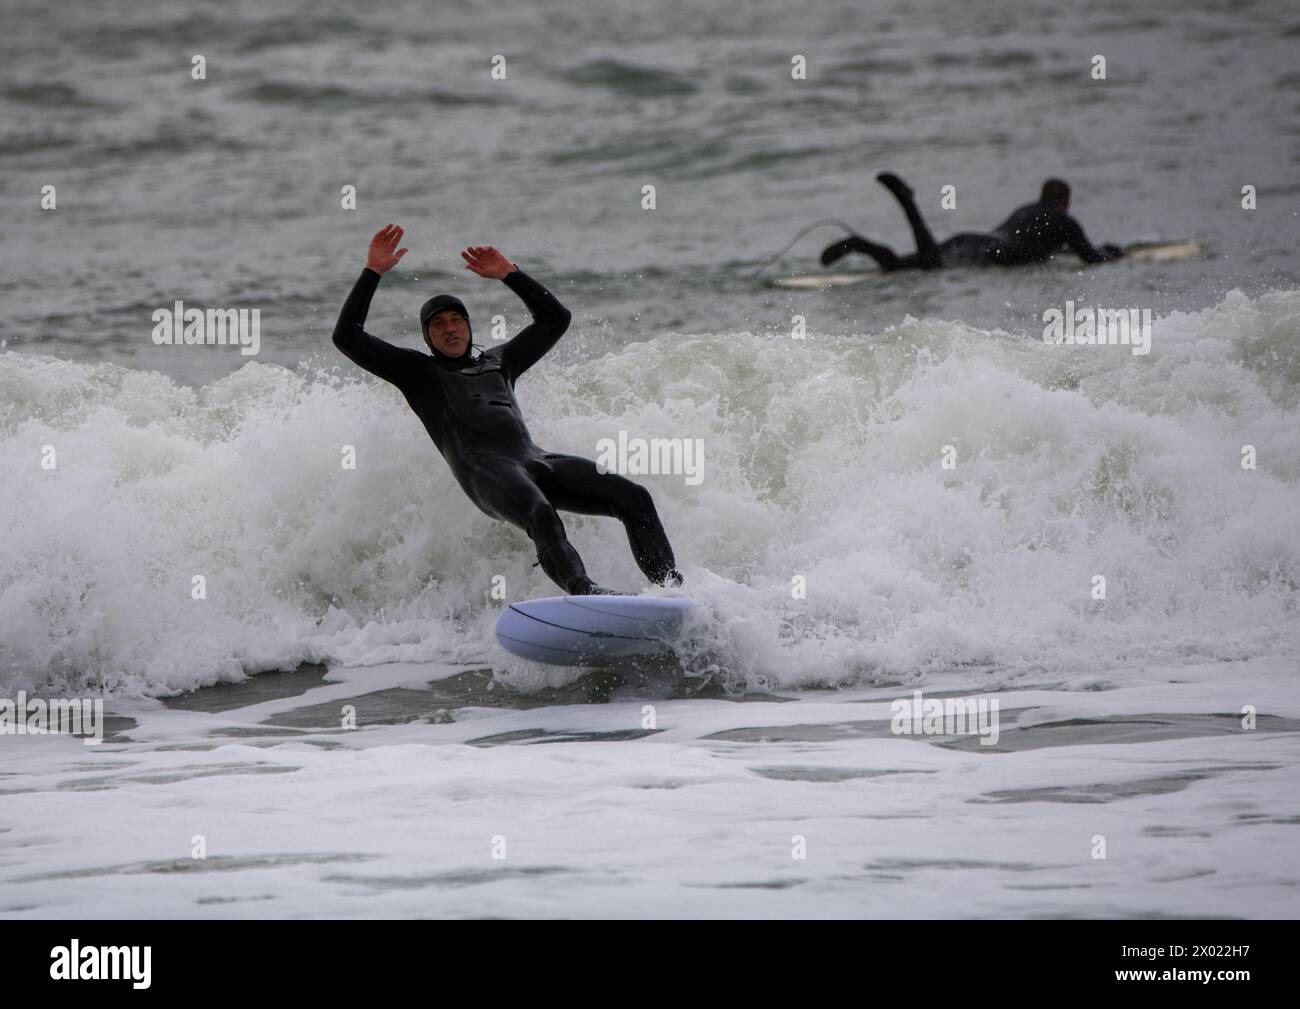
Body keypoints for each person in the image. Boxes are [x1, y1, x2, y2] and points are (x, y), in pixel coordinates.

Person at [333, 224, 683, 596]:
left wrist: (509, 274)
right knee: (541, 514)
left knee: (634, 497)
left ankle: (672, 593)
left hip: (535, 459)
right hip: (484, 472)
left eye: (456, 320)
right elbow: (347, 337)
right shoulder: (419, 373)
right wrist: (373, 272)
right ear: (426, 336)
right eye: (437, 325)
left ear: (468, 326)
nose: (449, 329)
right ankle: (586, 594)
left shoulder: (500, 361)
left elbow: (555, 319)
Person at [821, 173, 1124, 271]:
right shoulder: (1065, 221)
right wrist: (1114, 253)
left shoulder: (1026, 209)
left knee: (903, 266)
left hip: (971, 239)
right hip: (990, 254)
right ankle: (908, 203)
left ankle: (862, 245)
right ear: (1065, 202)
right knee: (930, 263)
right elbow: (1091, 259)